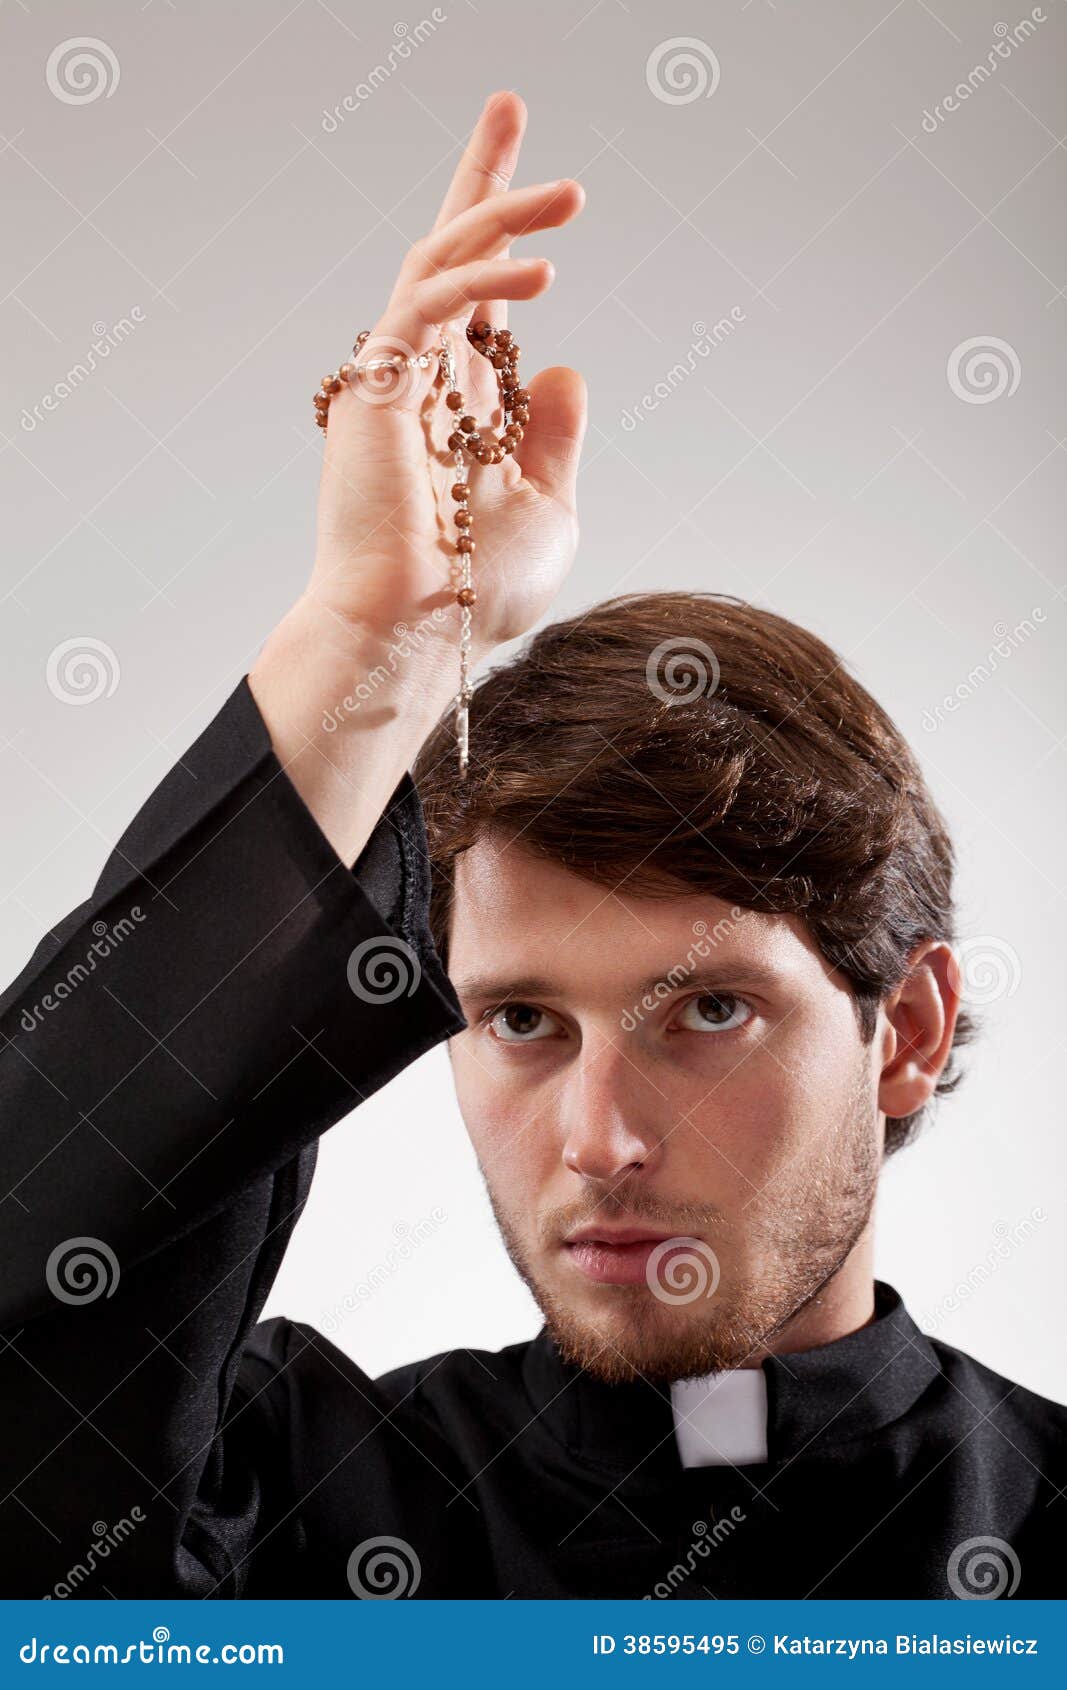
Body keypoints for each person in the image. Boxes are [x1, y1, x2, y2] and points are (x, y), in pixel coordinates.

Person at [1, 91, 1062, 1603]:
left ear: (909, 1031)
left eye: (709, 1009)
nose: (601, 1139)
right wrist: (376, 642)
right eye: (520, 1020)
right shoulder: (277, 1515)